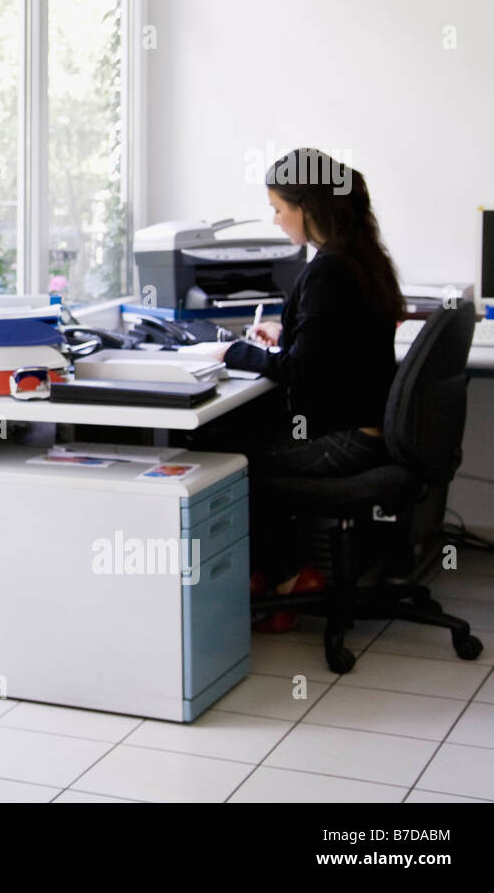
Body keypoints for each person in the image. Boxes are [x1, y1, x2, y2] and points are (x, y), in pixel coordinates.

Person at [187, 148, 402, 628]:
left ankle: (282, 583)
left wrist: (229, 353)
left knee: (219, 459)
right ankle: (283, 575)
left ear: (307, 207)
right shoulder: (362, 257)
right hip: (365, 429)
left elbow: (303, 373)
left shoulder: (328, 269)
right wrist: (291, 336)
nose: (277, 219)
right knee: (235, 436)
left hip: (344, 440)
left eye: (280, 208)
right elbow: (341, 345)